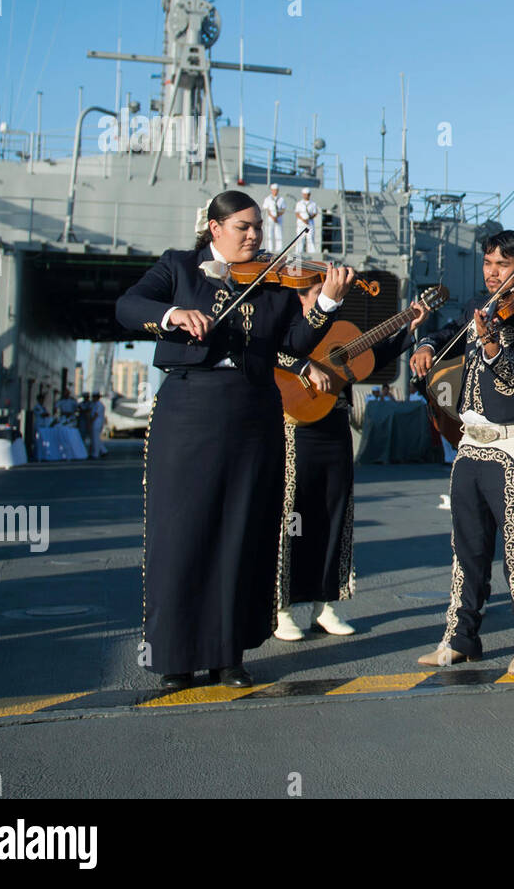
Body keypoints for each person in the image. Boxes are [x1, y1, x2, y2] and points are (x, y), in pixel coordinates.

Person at [115, 189, 351, 692]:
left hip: (252, 413)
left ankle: (229, 656)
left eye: (258, 228)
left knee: (244, 532)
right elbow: (129, 306)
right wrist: (174, 315)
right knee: (181, 534)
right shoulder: (179, 266)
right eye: (242, 227)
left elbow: (290, 348)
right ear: (214, 228)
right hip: (189, 411)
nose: (253, 236)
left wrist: (325, 304)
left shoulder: (272, 280)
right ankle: (175, 658)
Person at [410, 230, 514, 676]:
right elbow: (449, 332)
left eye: (502, 264)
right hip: (472, 442)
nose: (492, 272)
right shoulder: (483, 307)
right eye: (488, 263)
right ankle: (461, 639)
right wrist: (426, 345)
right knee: (468, 548)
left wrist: (495, 346)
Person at [273, 282, 427, 641]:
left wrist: (409, 330)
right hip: (297, 428)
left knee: (335, 513)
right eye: (321, 292)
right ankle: (280, 606)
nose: (332, 299)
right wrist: (305, 368)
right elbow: (269, 353)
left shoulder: (340, 328)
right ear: (302, 296)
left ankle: (324, 604)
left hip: (335, 423)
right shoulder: (289, 326)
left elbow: (370, 360)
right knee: (293, 515)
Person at [262, 183, 286, 254]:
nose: (275, 191)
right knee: (269, 233)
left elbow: (283, 209)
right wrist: (272, 217)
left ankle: (279, 249)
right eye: (273, 190)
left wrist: (277, 216)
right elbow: (266, 209)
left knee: (278, 233)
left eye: (276, 190)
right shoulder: (268, 199)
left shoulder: (281, 199)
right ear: (271, 190)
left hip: (278, 218)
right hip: (270, 218)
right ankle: (269, 249)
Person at [294, 188, 319, 255]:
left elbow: (315, 213)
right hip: (301, 223)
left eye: (307, 194)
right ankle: (298, 252)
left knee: (310, 237)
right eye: (305, 194)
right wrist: (303, 219)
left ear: (309, 195)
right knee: (300, 238)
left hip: (309, 222)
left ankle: (312, 252)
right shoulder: (299, 203)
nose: (306, 196)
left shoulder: (313, 204)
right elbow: (297, 213)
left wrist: (309, 218)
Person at [89, 392, 108, 458]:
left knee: (95, 439)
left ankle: (95, 453)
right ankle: (103, 450)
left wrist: (90, 422)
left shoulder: (99, 405)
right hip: (96, 422)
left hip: (97, 423)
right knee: (95, 438)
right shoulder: (94, 404)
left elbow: (96, 414)